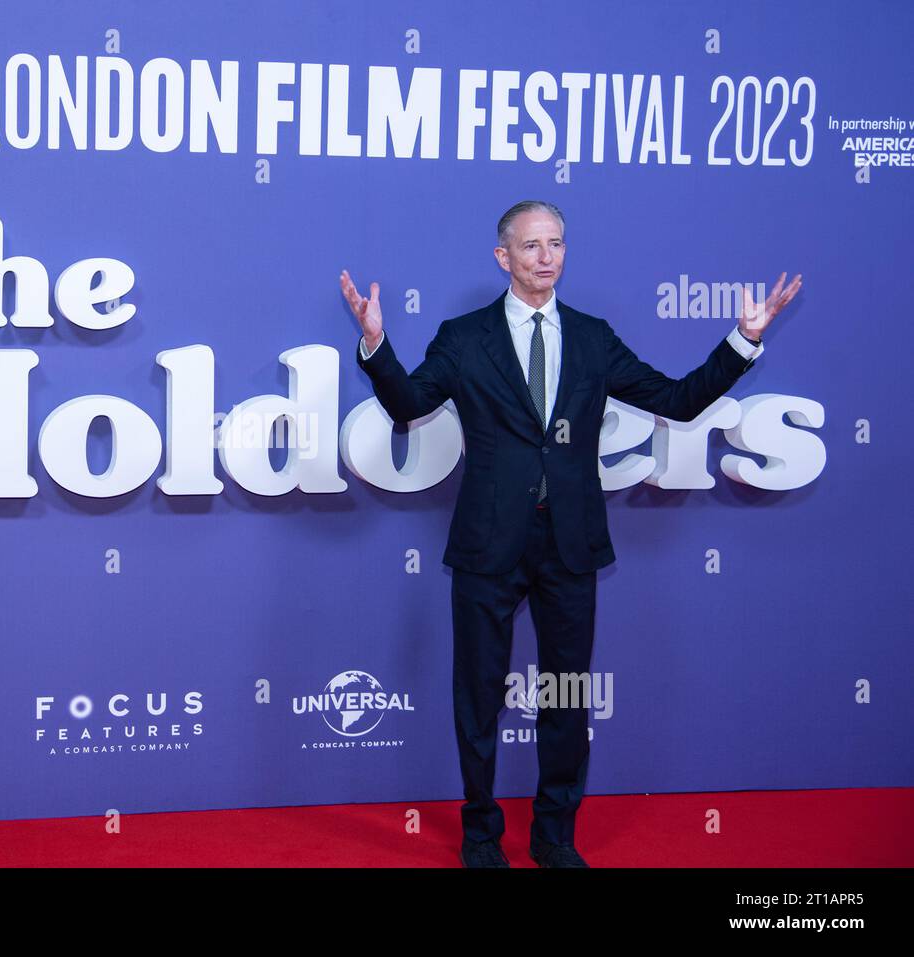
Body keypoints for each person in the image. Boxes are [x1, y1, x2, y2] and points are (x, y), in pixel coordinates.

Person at [339, 200, 801, 868]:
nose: (546, 256)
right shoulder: (464, 338)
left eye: (556, 243)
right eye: (531, 245)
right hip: (487, 546)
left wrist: (742, 341)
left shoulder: (592, 337)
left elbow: (677, 400)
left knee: (565, 695)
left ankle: (555, 835)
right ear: (504, 257)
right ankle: (480, 835)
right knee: (479, 695)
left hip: (570, 545)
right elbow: (409, 406)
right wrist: (377, 345)